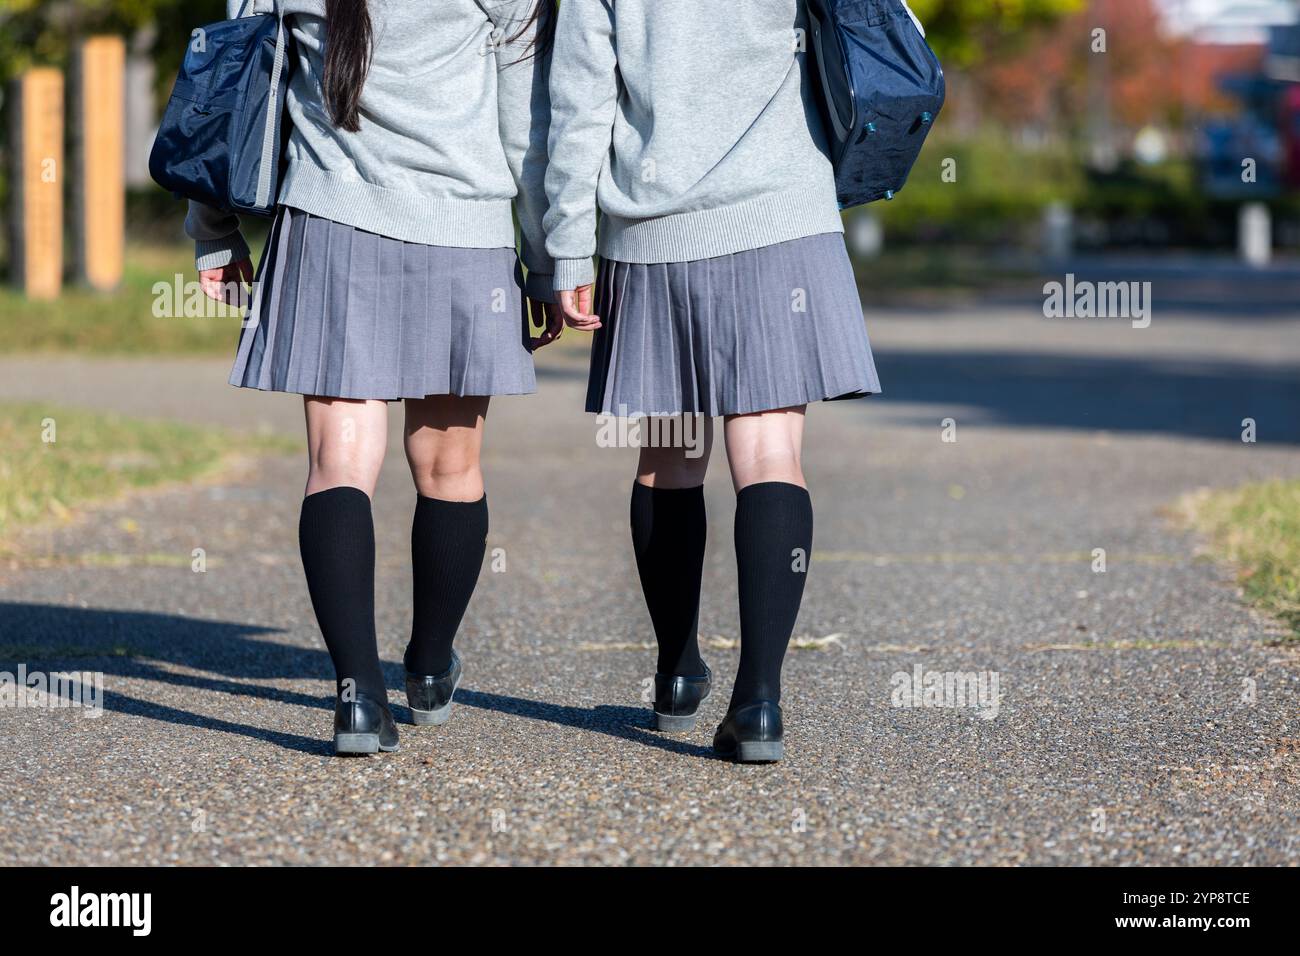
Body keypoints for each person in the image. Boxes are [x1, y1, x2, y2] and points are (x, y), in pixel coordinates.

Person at [190, 0, 560, 755]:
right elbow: (527, 130)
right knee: (450, 468)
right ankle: (427, 664)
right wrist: (550, 262)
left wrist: (212, 229)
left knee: (338, 466)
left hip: (329, 226)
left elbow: (228, 76)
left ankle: (358, 698)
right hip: (463, 235)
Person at [544, 0, 882, 763]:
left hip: (656, 232)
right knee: (769, 456)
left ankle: (675, 671)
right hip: (782, 213)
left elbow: (579, 103)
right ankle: (758, 703)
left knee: (669, 456)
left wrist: (567, 249)